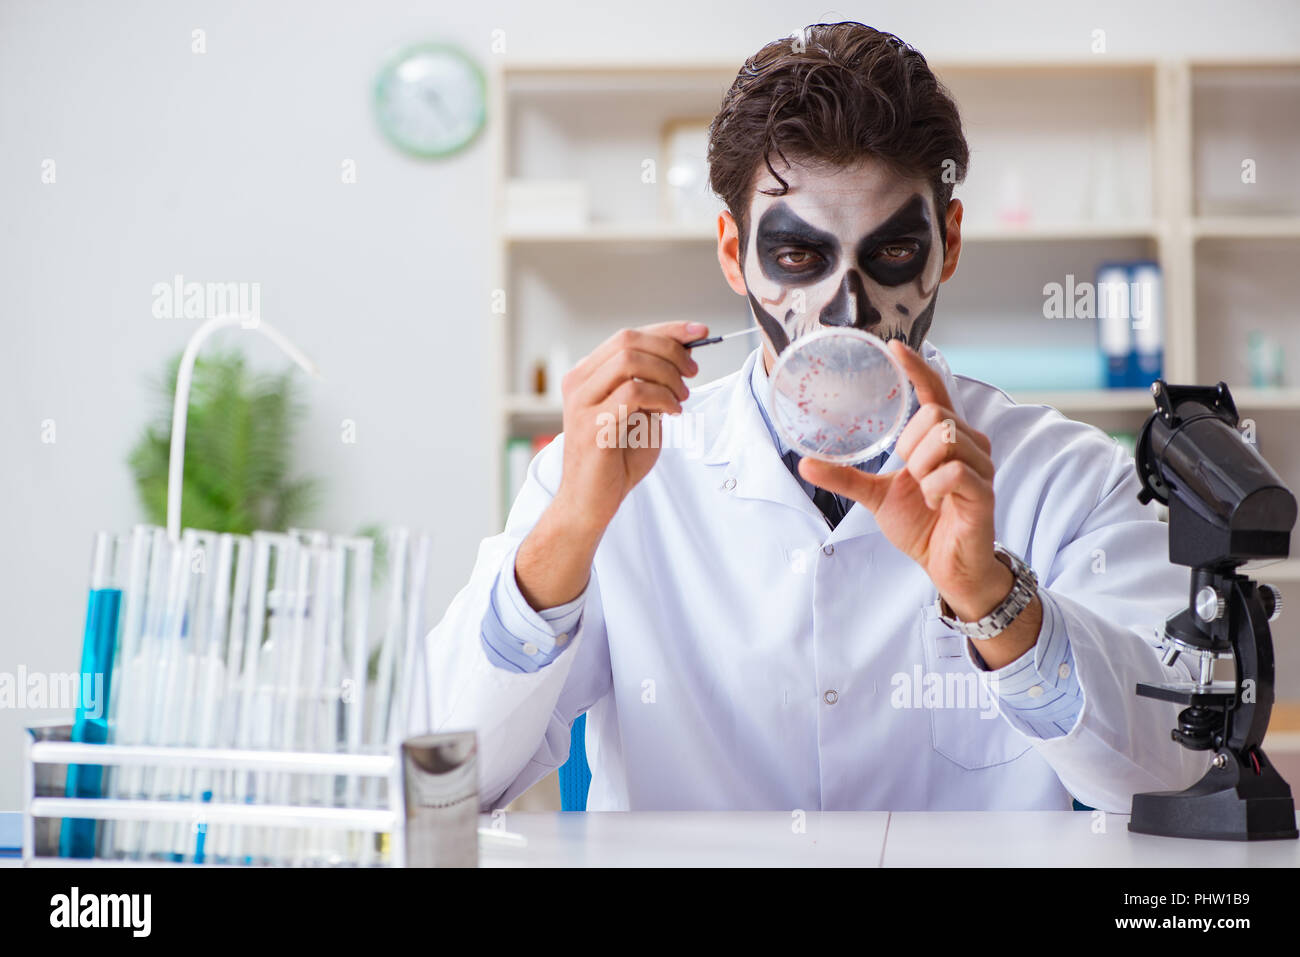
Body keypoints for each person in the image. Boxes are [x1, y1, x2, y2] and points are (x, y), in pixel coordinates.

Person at [409, 22, 1208, 812]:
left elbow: (1164, 772)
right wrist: (570, 530)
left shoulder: (1070, 478)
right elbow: (443, 781)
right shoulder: (616, 479)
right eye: (798, 256)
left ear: (948, 244)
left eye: (891, 252)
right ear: (734, 255)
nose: (846, 311)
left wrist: (990, 597)